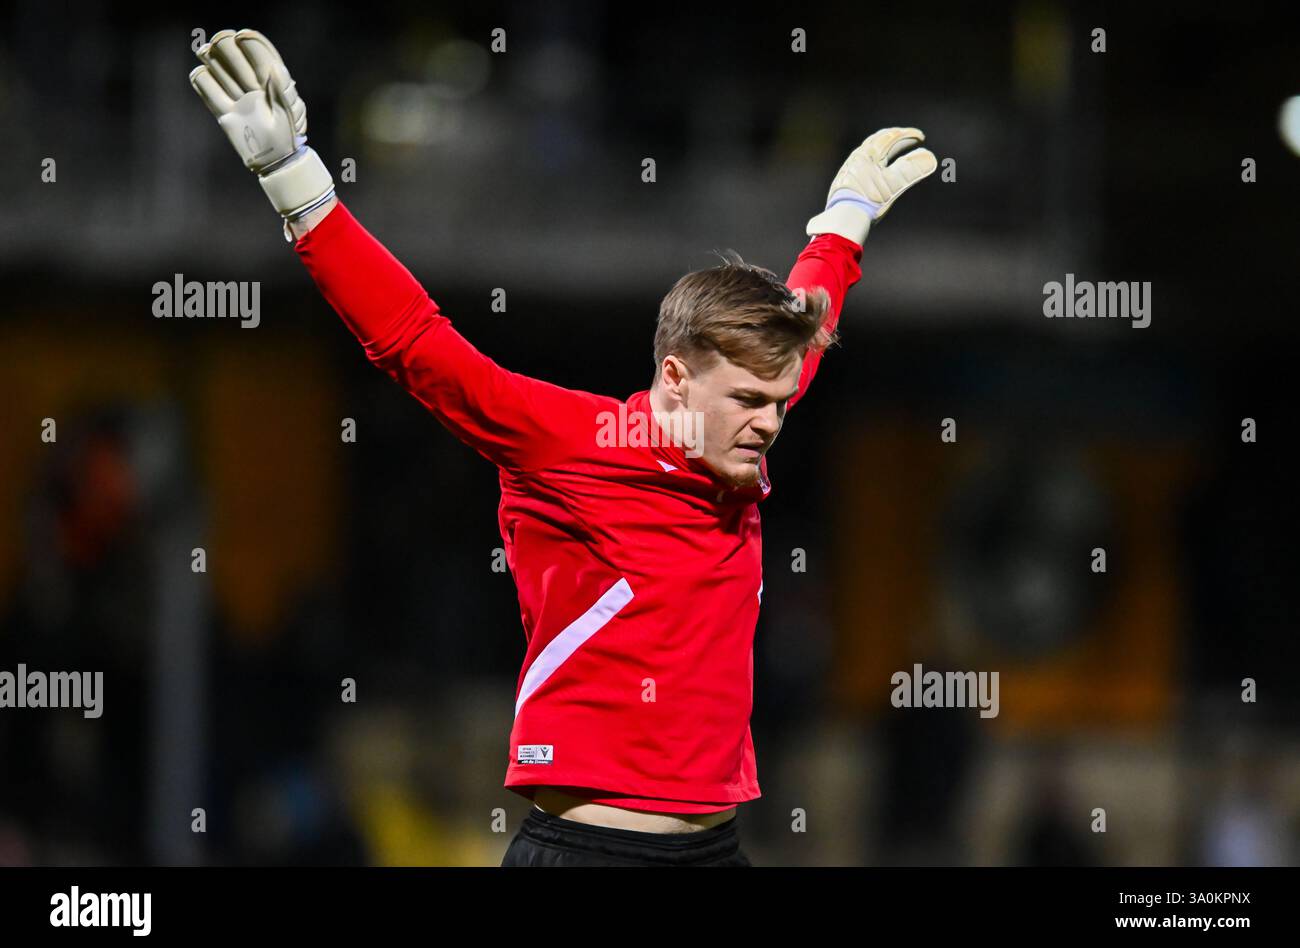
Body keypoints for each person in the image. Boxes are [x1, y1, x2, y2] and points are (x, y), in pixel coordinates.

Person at [189, 28, 935, 866]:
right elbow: (415, 344)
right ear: (677, 380)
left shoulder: (738, 431)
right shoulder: (570, 439)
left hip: (717, 852)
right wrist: (295, 179)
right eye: (752, 401)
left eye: (779, 400)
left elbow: (809, 321)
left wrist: (846, 216)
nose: (772, 419)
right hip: (586, 853)